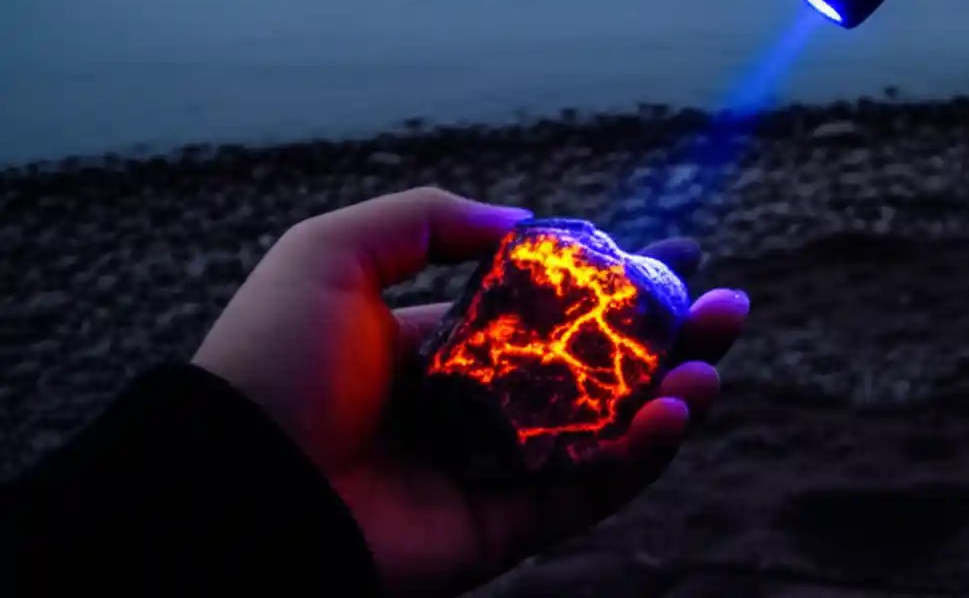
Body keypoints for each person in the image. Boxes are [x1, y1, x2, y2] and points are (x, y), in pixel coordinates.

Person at [2, 187, 749, 596]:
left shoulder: (552, 248)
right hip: (487, 445)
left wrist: (227, 479)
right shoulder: (585, 263)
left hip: (460, 430)